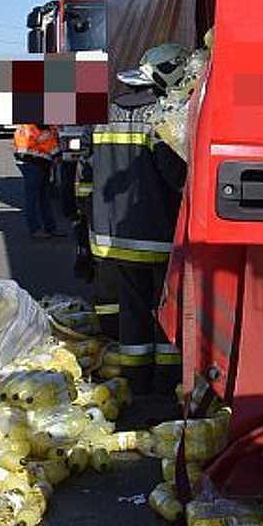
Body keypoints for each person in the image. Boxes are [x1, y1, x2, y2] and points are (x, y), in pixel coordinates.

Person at [89, 43, 191, 395]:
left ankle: (135, 380)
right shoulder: (159, 118)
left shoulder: (105, 115)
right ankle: (166, 379)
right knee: (165, 306)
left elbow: (89, 176)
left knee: (132, 308)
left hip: (115, 235)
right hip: (157, 233)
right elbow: (174, 177)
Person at [13, 122, 62, 239]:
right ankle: (36, 229)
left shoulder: (33, 126)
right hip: (34, 163)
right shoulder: (38, 126)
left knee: (42, 197)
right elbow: (48, 142)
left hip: (37, 162)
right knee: (34, 198)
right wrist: (57, 154)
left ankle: (49, 227)